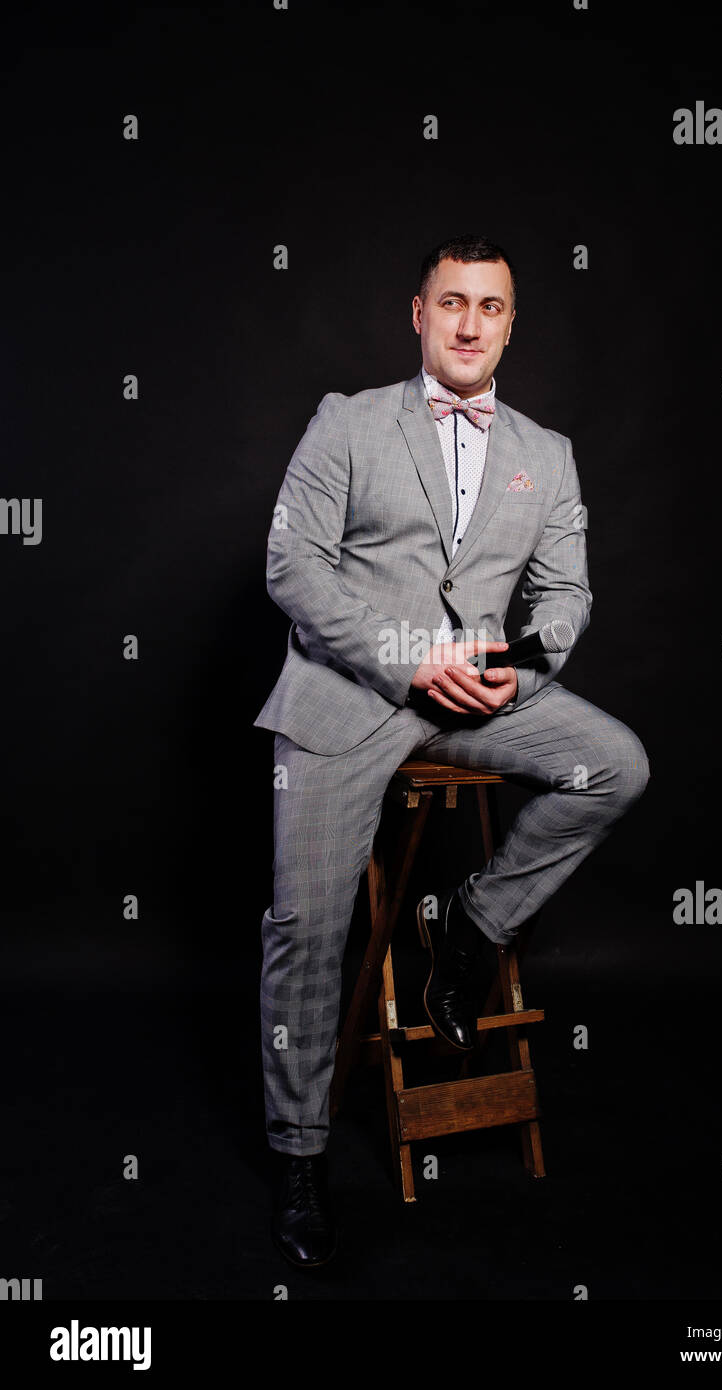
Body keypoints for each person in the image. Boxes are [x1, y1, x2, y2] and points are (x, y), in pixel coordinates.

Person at [254, 233, 650, 1268]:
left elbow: (564, 599)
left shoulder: (546, 451)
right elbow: (291, 566)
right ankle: (297, 1154)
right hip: (349, 695)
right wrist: (406, 657)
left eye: (492, 306)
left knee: (615, 762)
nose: (471, 322)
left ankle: (471, 926)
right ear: (417, 315)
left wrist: (517, 673)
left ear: (510, 322)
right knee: (307, 921)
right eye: (453, 302)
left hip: (477, 698)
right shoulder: (347, 422)